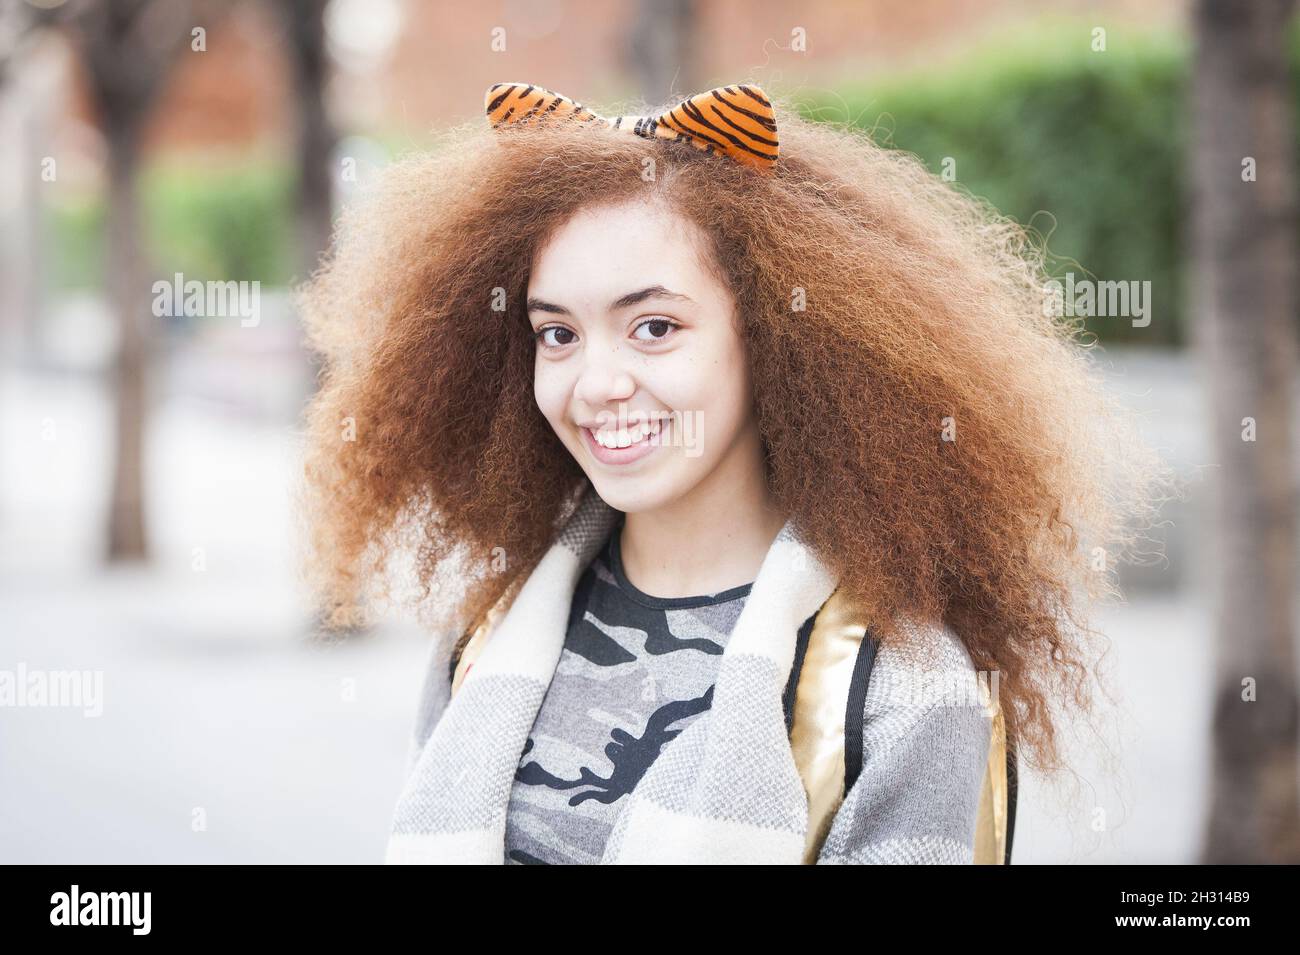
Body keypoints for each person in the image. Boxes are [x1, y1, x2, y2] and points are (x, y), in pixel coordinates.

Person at [297, 82, 1165, 864]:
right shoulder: (483, 640)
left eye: (654, 328)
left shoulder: (906, 687)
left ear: (780, 338)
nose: (596, 383)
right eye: (557, 333)